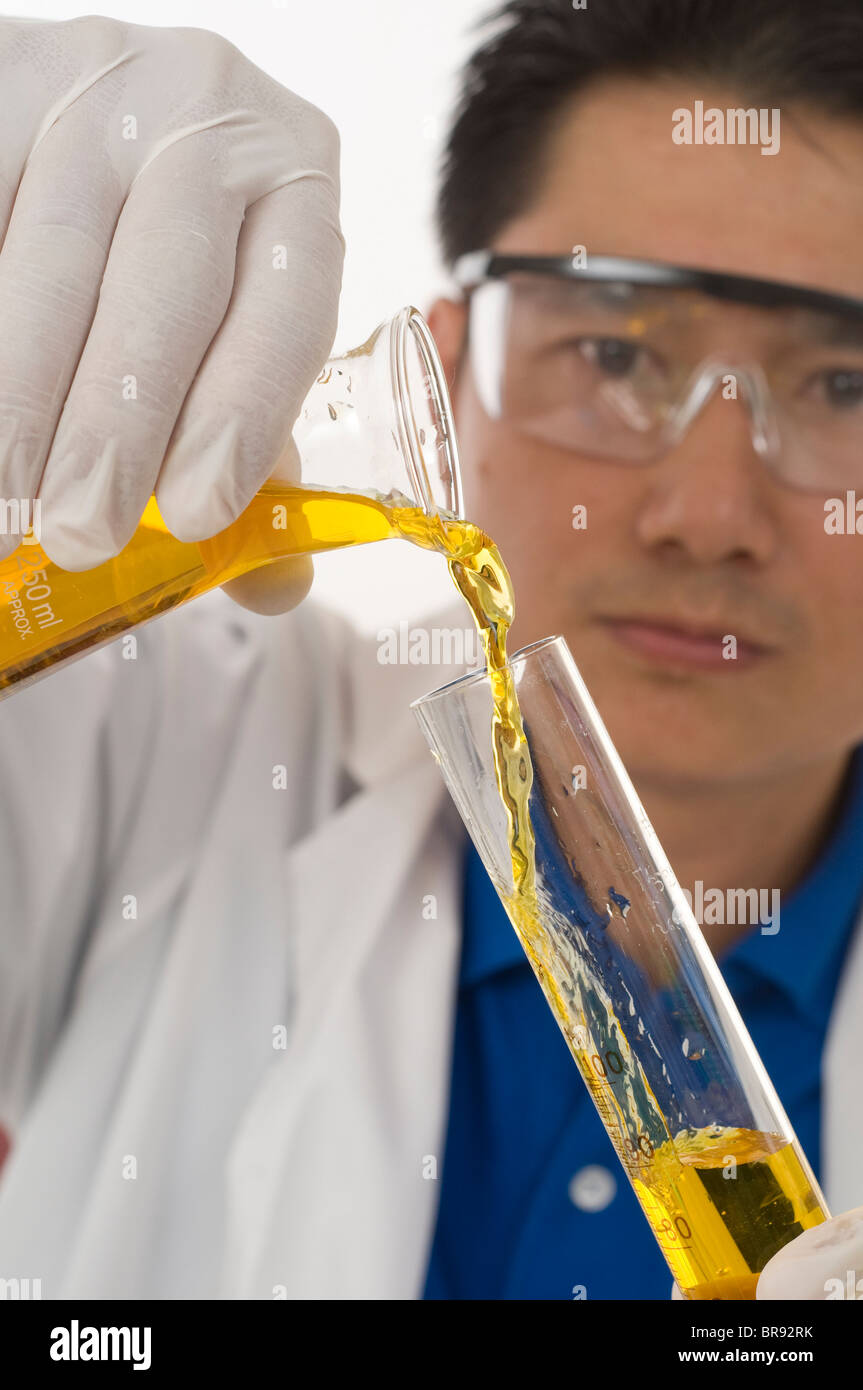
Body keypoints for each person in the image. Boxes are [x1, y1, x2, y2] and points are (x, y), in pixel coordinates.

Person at [0, 2, 861, 1300]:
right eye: (616, 351)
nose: (708, 516)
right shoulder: (161, 747)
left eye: (846, 389)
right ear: (451, 370)